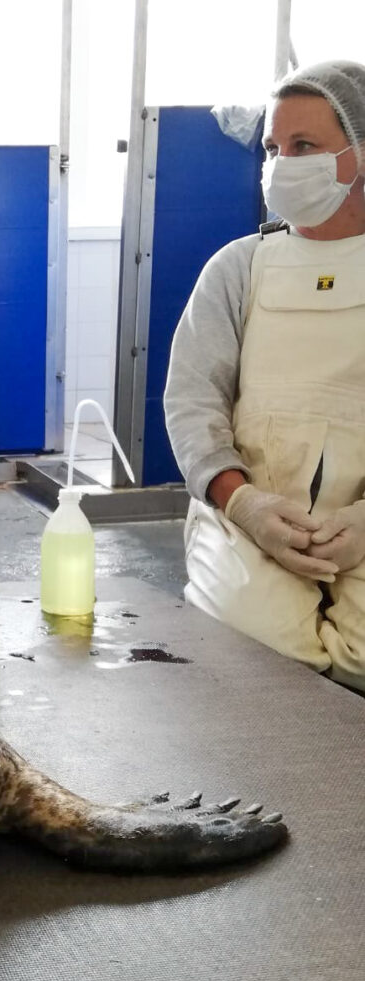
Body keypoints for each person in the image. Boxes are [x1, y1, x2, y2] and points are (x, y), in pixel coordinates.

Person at [165, 59, 365, 692]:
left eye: (302, 146)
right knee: (262, 657)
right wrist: (243, 503)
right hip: (251, 520)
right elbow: (193, 402)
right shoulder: (240, 267)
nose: (280, 163)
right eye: (274, 148)